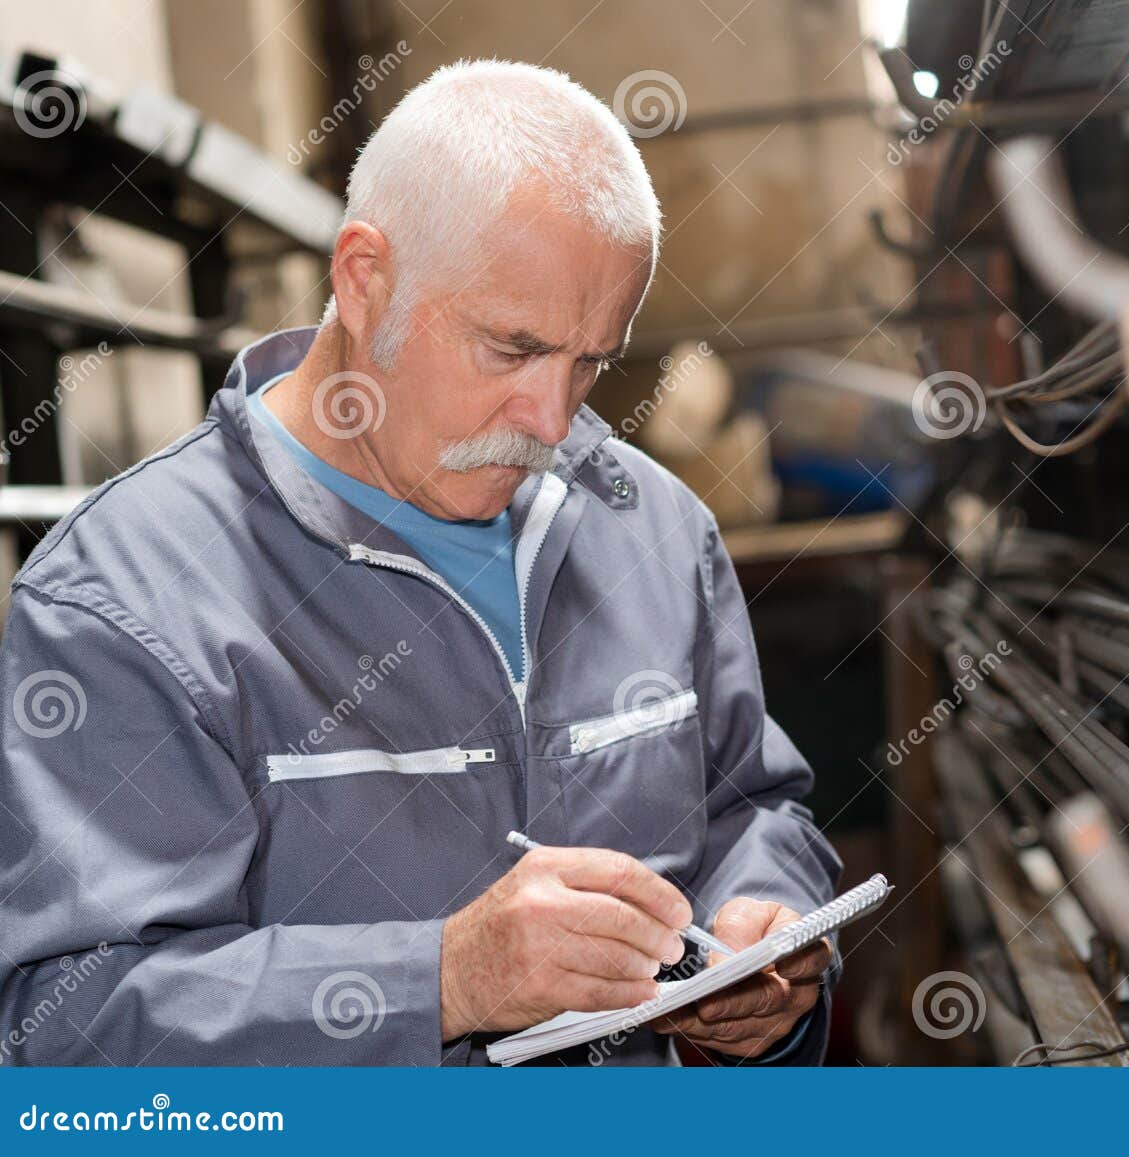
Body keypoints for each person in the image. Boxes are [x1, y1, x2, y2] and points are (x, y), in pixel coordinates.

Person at [0, 60, 840, 1066]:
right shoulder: (124, 599)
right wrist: (440, 979)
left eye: (591, 362)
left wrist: (772, 927)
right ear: (364, 279)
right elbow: (68, 1035)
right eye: (511, 345)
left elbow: (752, 802)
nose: (551, 419)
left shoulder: (649, 525)